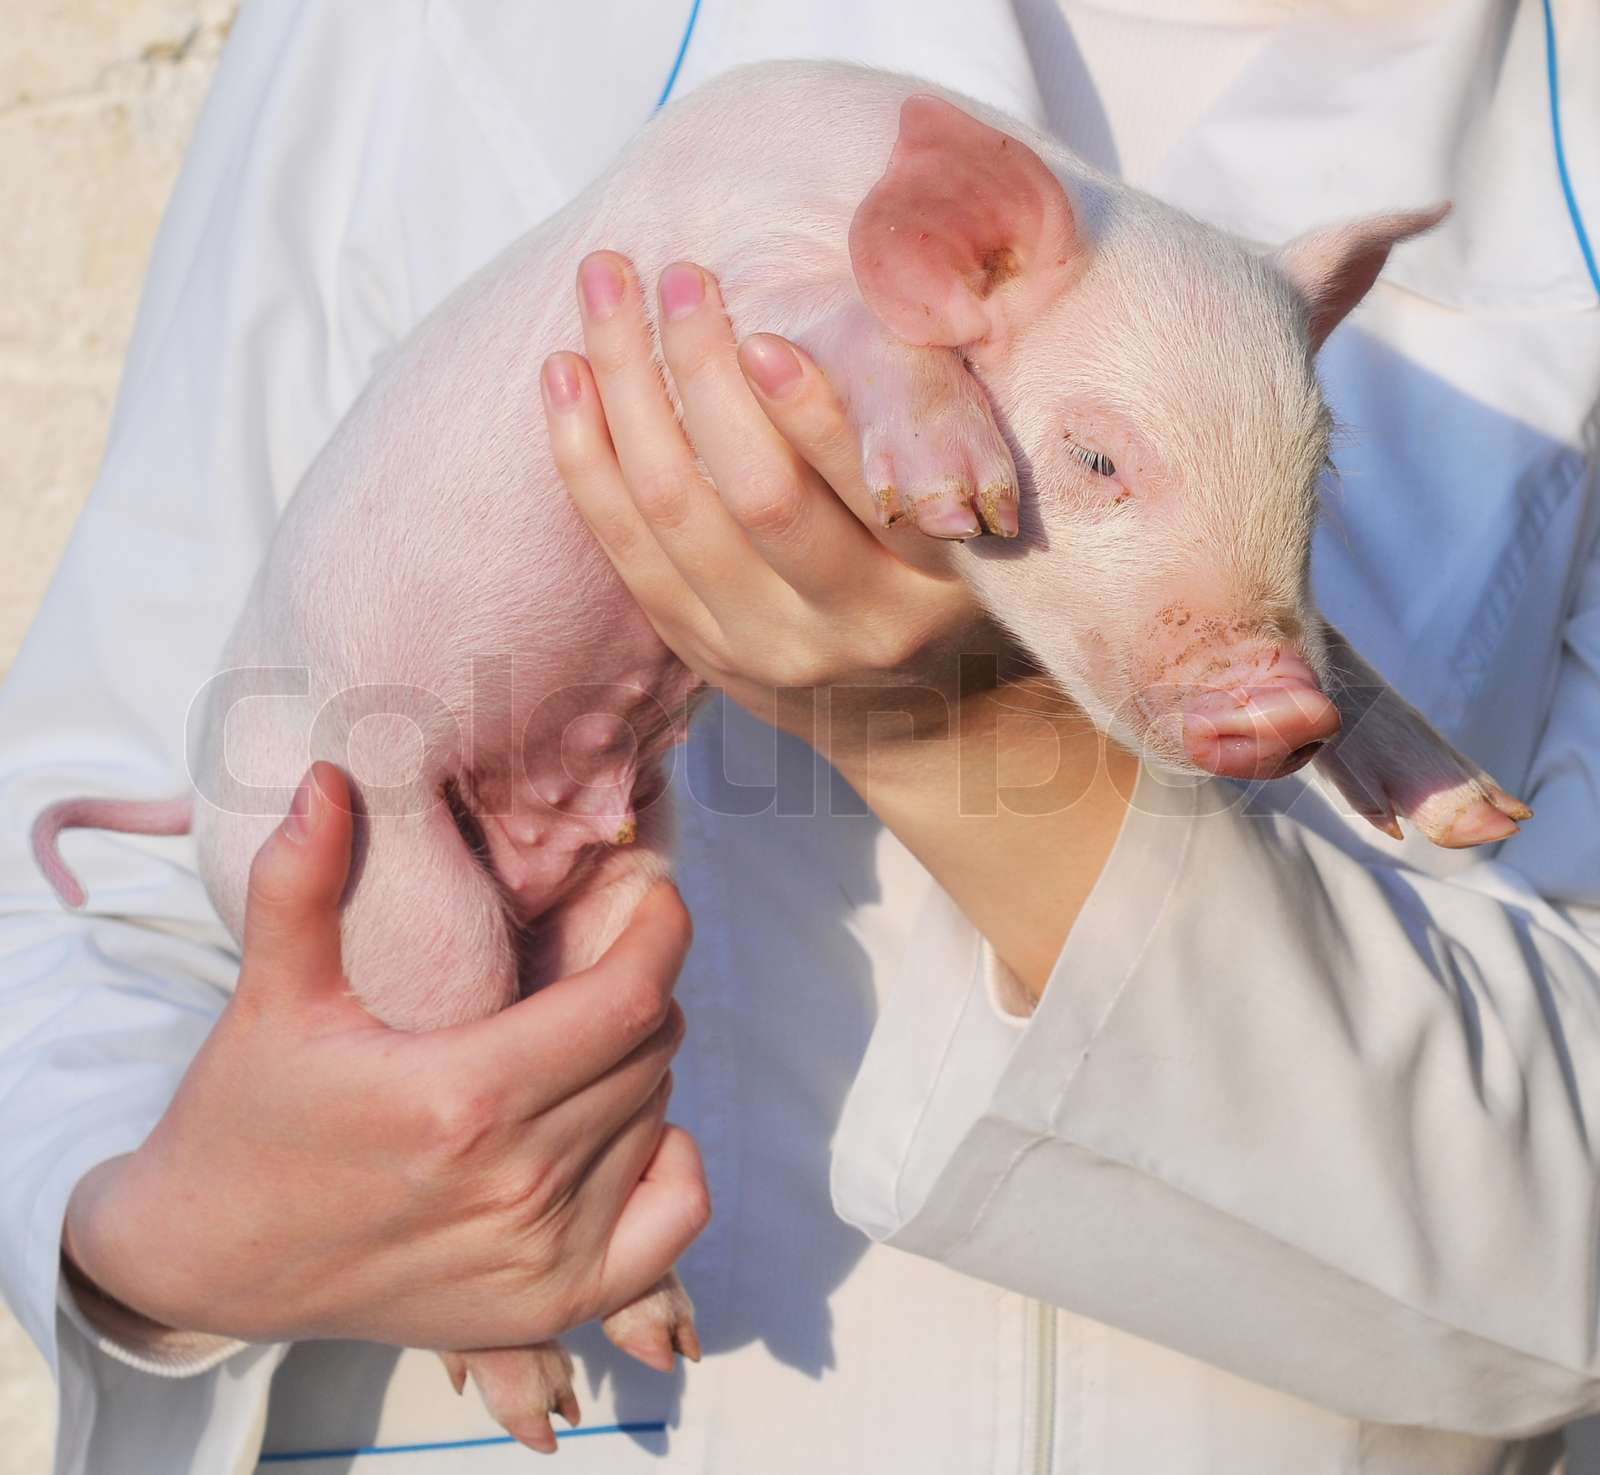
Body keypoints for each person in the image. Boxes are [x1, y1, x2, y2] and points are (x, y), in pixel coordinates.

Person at [2, 1, 1598, 1472]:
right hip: (442, 839)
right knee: (474, 974)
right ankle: (507, 1315)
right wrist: (155, 1248)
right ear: (938, 261)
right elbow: (79, 869)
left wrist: (961, 725)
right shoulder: (431, 36)